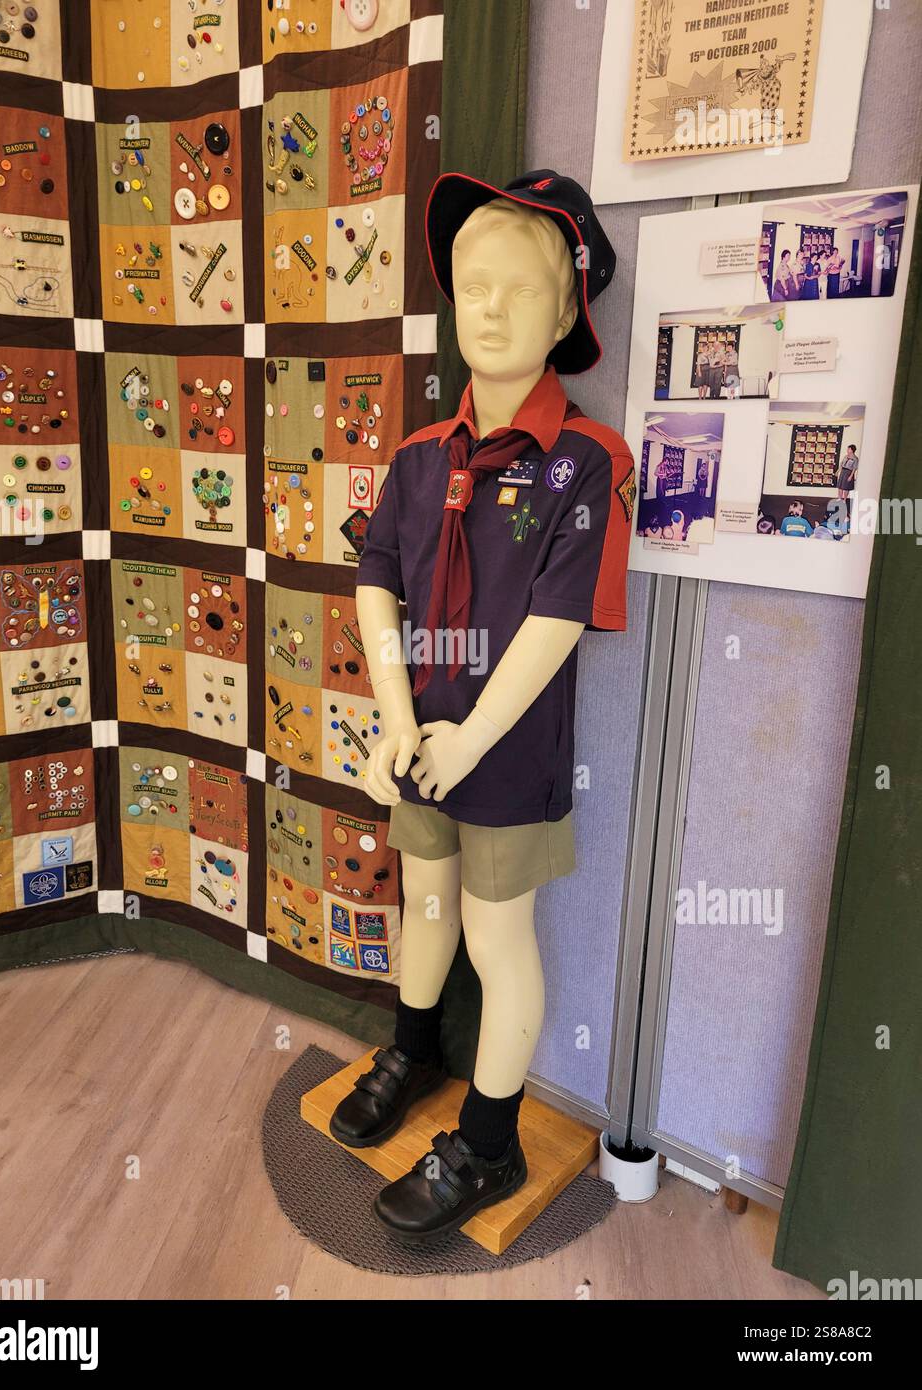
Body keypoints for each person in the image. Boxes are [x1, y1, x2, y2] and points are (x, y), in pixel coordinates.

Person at [332, 169, 634, 1243]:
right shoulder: (419, 455)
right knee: (422, 904)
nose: (491, 309)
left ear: (567, 312)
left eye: (519, 288)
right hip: (422, 745)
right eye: (472, 286)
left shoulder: (587, 462)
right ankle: (413, 1051)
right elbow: (376, 576)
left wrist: (472, 736)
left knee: (496, 935)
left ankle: (492, 1140)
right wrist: (396, 718)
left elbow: (559, 622)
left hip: (506, 760)